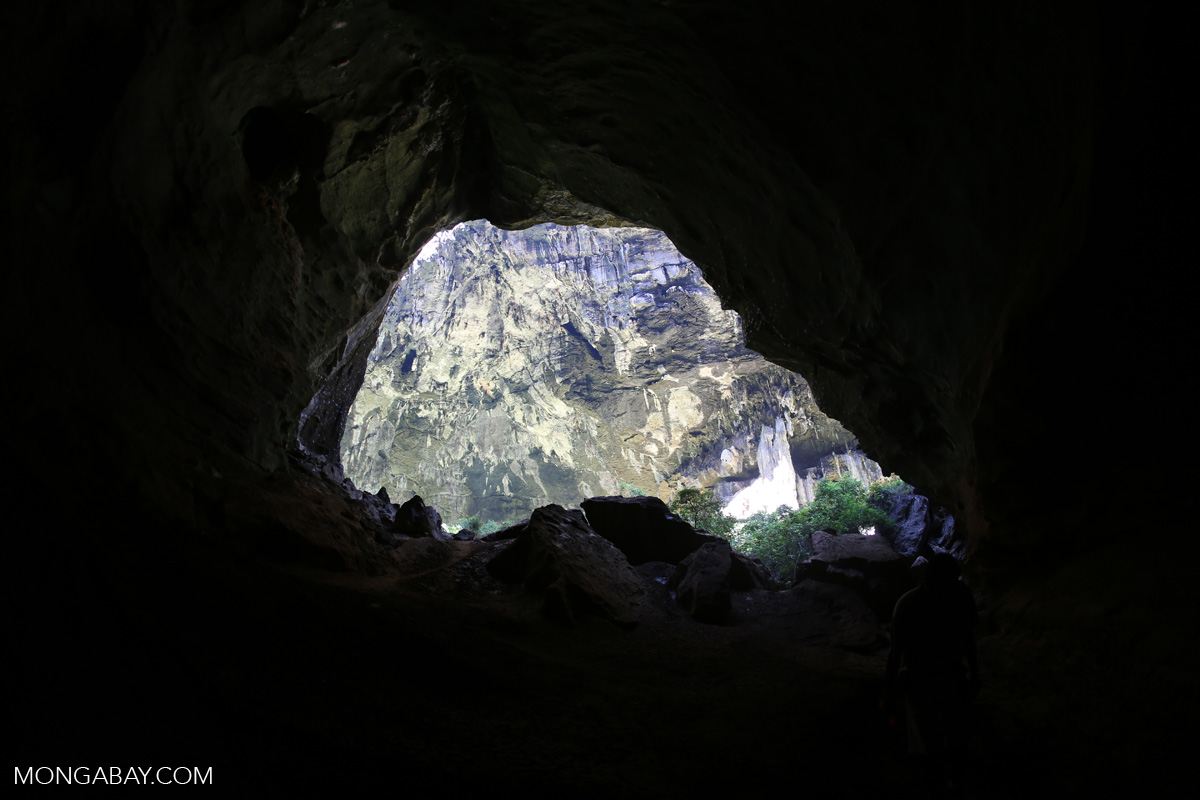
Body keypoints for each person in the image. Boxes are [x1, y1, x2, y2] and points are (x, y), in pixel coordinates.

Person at [885, 552, 979, 797]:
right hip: (947, 675)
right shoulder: (961, 595)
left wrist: (888, 691)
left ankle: (937, 782)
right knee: (953, 733)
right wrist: (975, 672)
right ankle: (952, 781)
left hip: (920, 678)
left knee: (929, 740)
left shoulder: (908, 602)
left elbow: (895, 652)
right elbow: (969, 639)